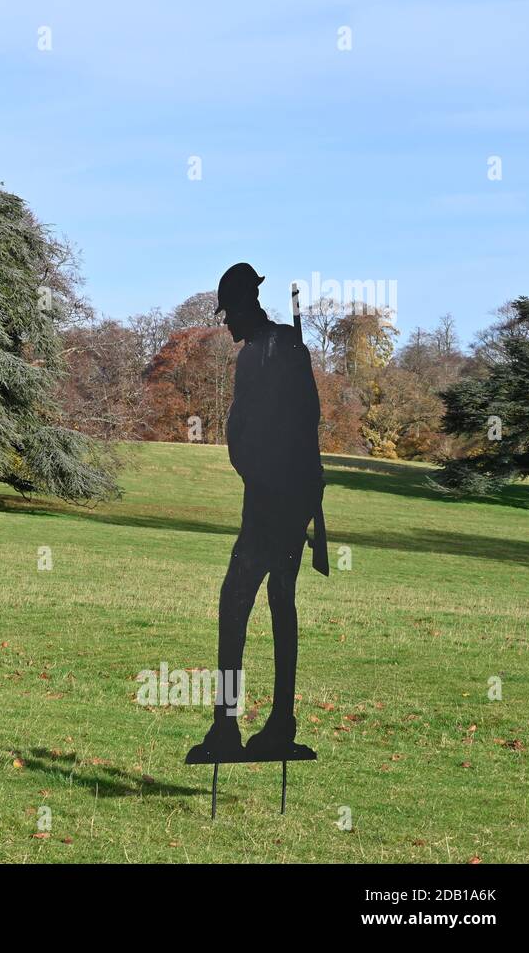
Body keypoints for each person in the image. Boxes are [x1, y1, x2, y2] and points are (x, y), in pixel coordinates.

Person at [187, 263, 326, 761]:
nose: (227, 326)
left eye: (229, 315)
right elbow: (307, 422)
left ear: (245, 306)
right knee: (281, 600)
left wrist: (255, 471)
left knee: (235, 600)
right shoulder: (290, 346)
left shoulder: (259, 356)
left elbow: (248, 428)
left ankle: (227, 725)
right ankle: (280, 722)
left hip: (271, 496)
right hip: (294, 493)